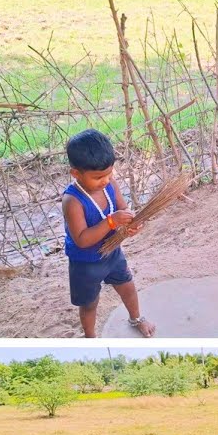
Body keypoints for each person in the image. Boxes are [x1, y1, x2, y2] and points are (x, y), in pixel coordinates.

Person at [60, 129, 153, 338]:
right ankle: (91, 337)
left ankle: (136, 318)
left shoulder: (110, 184)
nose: (105, 180)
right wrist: (112, 221)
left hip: (112, 253)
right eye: (98, 177)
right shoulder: (72, 201)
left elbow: (123, 210)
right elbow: (82, 240)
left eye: (109, 173)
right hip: (86, 263)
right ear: (76, 173)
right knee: (90, 303)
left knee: (127, 285)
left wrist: (131, 226)